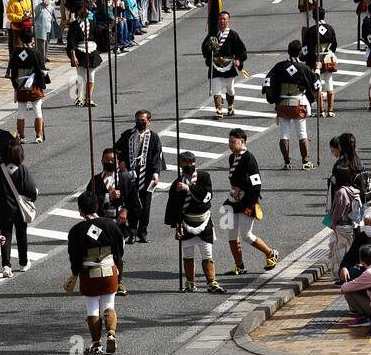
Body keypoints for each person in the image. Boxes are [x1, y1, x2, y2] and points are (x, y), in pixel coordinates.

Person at [67, 190, 125, 355]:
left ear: (80, 210)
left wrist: (75, 272)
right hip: (109, 270)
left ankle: (96, 343)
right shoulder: (110, 225)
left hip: (89, 274)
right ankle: (112, 335)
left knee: (92, 308)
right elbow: (120, 250)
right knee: (109, 305)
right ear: (97, 207)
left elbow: (74, 256)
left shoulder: (76, 231)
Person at [165, 152, 225, 294]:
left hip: (203, 219)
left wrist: (189, 189)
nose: (190, 168)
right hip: (187, 222)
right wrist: (176, 225)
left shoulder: (204, 177)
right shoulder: (177, 184)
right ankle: (190, 282)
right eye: (186, 165)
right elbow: (174, 207)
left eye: (192, 165)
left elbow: (207, 196)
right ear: (181, 165)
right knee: (188, 254)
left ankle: (212, 282)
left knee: (207, 253)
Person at [84, 147, 141, 296]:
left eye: (113, 160)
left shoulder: (125, 179)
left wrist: (125, 210)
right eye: (107, 160)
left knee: (117, 254)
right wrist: (108, 197)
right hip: (100, 221)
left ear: (117, 162)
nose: (109, 162)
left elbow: (135, 202)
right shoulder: (95, 181)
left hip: (118, 223)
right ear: (102, 161)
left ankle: (118, 281)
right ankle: (99, 281)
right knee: (97, 252)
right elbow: (89, 203)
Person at [222, 128, 278, 274]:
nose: (230, 144)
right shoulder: (232, 157)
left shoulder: (249, 158)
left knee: (246, 235)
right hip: (233, 200)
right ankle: (239, 266)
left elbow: (256, 183)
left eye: (233, 142)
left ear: (242, 142)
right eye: (229, 141)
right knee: (231, 234)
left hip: (247, 201)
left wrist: (243, 192)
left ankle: (270, 253)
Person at [262, 39, 320, 171]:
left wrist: (272, 96)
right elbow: (316, 84)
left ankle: (287, 161)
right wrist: (317, 70)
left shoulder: (279, 66)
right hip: (298, 103)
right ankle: (305, 161)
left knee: (284, 134)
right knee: (302, 132)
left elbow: (267, 80)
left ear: (288, 51)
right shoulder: (304, 68)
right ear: (300, 53)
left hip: (282, 104)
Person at [115, 110, 165, 243]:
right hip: (130, 174)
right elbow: (117, 149)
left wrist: (155, 173)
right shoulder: (128, 135)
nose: (140, 123)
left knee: (145, 204)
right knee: (131, 204)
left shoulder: (153, 137)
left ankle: (142, 232)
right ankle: (131, 231)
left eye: (143, 121)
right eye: (138, 120)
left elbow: (156, 156)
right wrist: (121, 162)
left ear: (149, 121)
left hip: (146, 175)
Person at [0, 138, 37, 276]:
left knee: (5, 235)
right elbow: (31, 190)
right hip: (19, 209)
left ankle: (6, 265)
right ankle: (23, 262)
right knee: (21, 234)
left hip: (2, 208)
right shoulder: (22, 170)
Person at [326, 133, 364, 281]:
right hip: (357, 207)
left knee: (339, 244)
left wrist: (331, 221)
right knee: (354, 239)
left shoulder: (342, 166)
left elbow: (338, 200)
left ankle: (342, 274)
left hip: (341, 212)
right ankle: (353, 270)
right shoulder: (358, 162)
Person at [202, 9, 247, 119]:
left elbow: (241, 50)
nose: (222, 21)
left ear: (228, 21)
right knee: (216, 89)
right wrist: (209, 48)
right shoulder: (213, 34)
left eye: (224, 19)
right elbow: (204, 47)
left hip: (228, 65)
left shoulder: (233, 35)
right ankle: (218, 109)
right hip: (216, 65)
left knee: (230, 89)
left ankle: (230, 105)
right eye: (220, 19)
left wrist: (238, 60)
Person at [8, 24, 49, 143]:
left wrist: (15, 86)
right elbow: (42, 70)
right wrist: (43, 85)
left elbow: (12, 72)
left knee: (21, 111)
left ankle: (21, 136)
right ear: (31, 39)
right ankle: (38, 135)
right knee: (37, 109)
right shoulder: (36, 53)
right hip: (34, 84)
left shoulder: (16, 54)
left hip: (21, 85)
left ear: (20, 39)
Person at [302, 8, 338, 117]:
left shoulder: (311, 30)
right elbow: (335, 44)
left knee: (318, 83)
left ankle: (321, 110)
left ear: (313, 17)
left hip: (315, 58)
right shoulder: (330, 28)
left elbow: (306, 47)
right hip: (327, 57)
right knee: (329, 81)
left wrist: (306, 58)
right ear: (324, 16)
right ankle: (330, 109)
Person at [67, 10, 102, 108]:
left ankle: (89, 98)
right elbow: (71, 41)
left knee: (91, 76)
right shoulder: (74, 25)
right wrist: (73, 55)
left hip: (92, 50)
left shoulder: (92, 23)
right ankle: (79, 97)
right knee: (81, 76)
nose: (86, 11)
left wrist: (111, 26)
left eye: (87, 9)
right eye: (83, 9)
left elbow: (99, 35)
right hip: (80, 51)